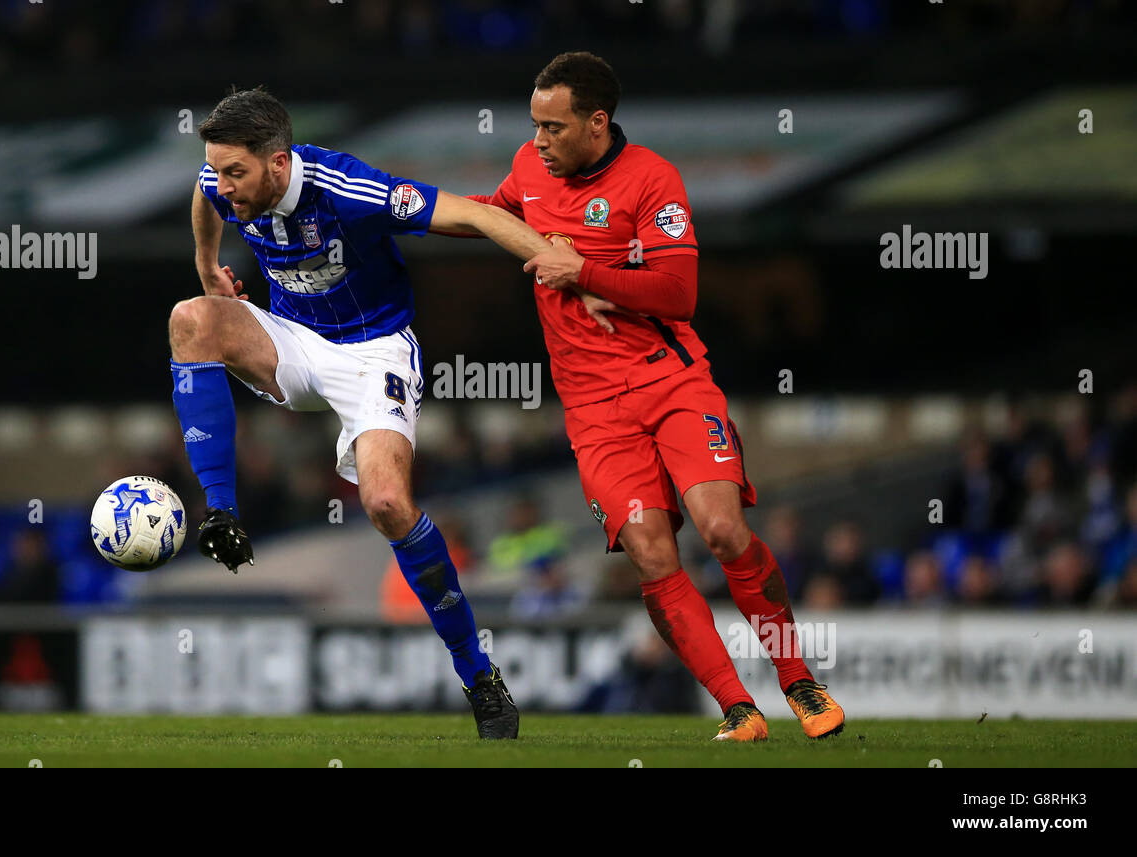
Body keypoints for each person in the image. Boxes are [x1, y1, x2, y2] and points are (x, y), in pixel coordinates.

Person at [455, 51, 844, 741]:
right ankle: (738, 707)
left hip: (670, 381)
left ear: (596, 123)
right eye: (534, 125)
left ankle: (798, 681)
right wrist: (389, 212)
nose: (538, 141)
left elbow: (679, 293)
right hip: (594, 410)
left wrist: (587, 272)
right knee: (652, 553)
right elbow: (492, 217)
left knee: (723, 530)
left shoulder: (651, 180)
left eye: (553, 127)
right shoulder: (528, 167)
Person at [170, 87, 557, 739]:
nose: (224, 185)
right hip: (292, 341)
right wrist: (209, 267)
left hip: (374, 351)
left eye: (237, 172)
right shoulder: (222, 181)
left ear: (280, 164)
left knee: (387, 506)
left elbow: (470, 213)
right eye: (219, 169)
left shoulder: (351, 189)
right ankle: (221, 510)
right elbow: (202, 196)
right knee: (191, 319)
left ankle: (480, 677)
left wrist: (550, 254)